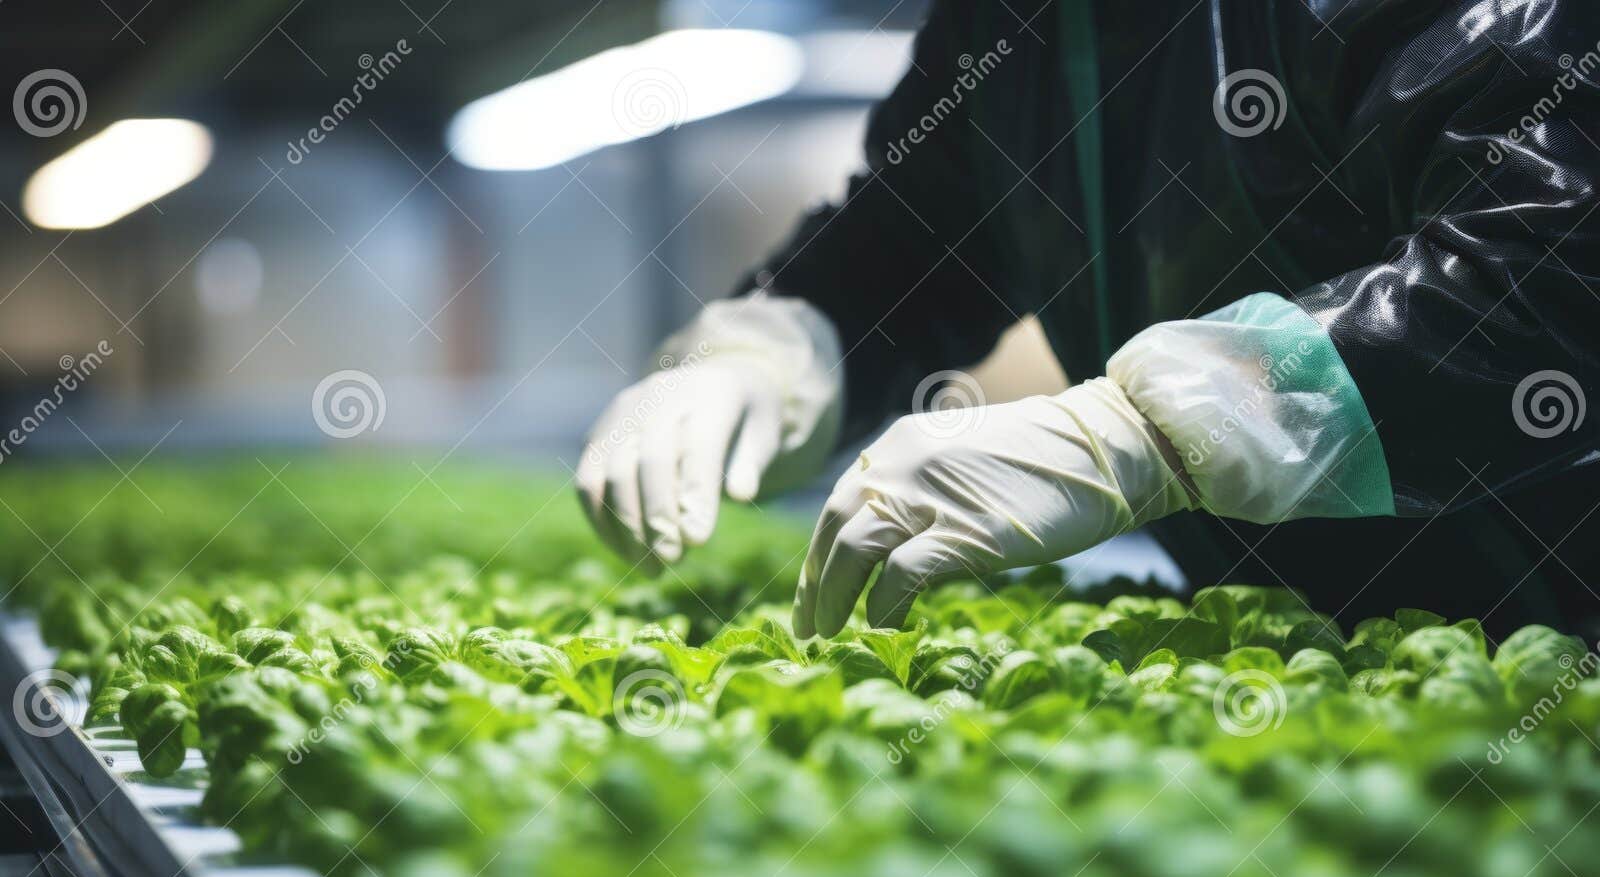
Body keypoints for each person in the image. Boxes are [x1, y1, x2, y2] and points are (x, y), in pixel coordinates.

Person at [577, 1, 1600, 640]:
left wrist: (1148, 432)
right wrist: (756, 355)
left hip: (1552, 638)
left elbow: (1549, 263)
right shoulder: (1008, 29)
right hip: (1298, 648)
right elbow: (904, 249)